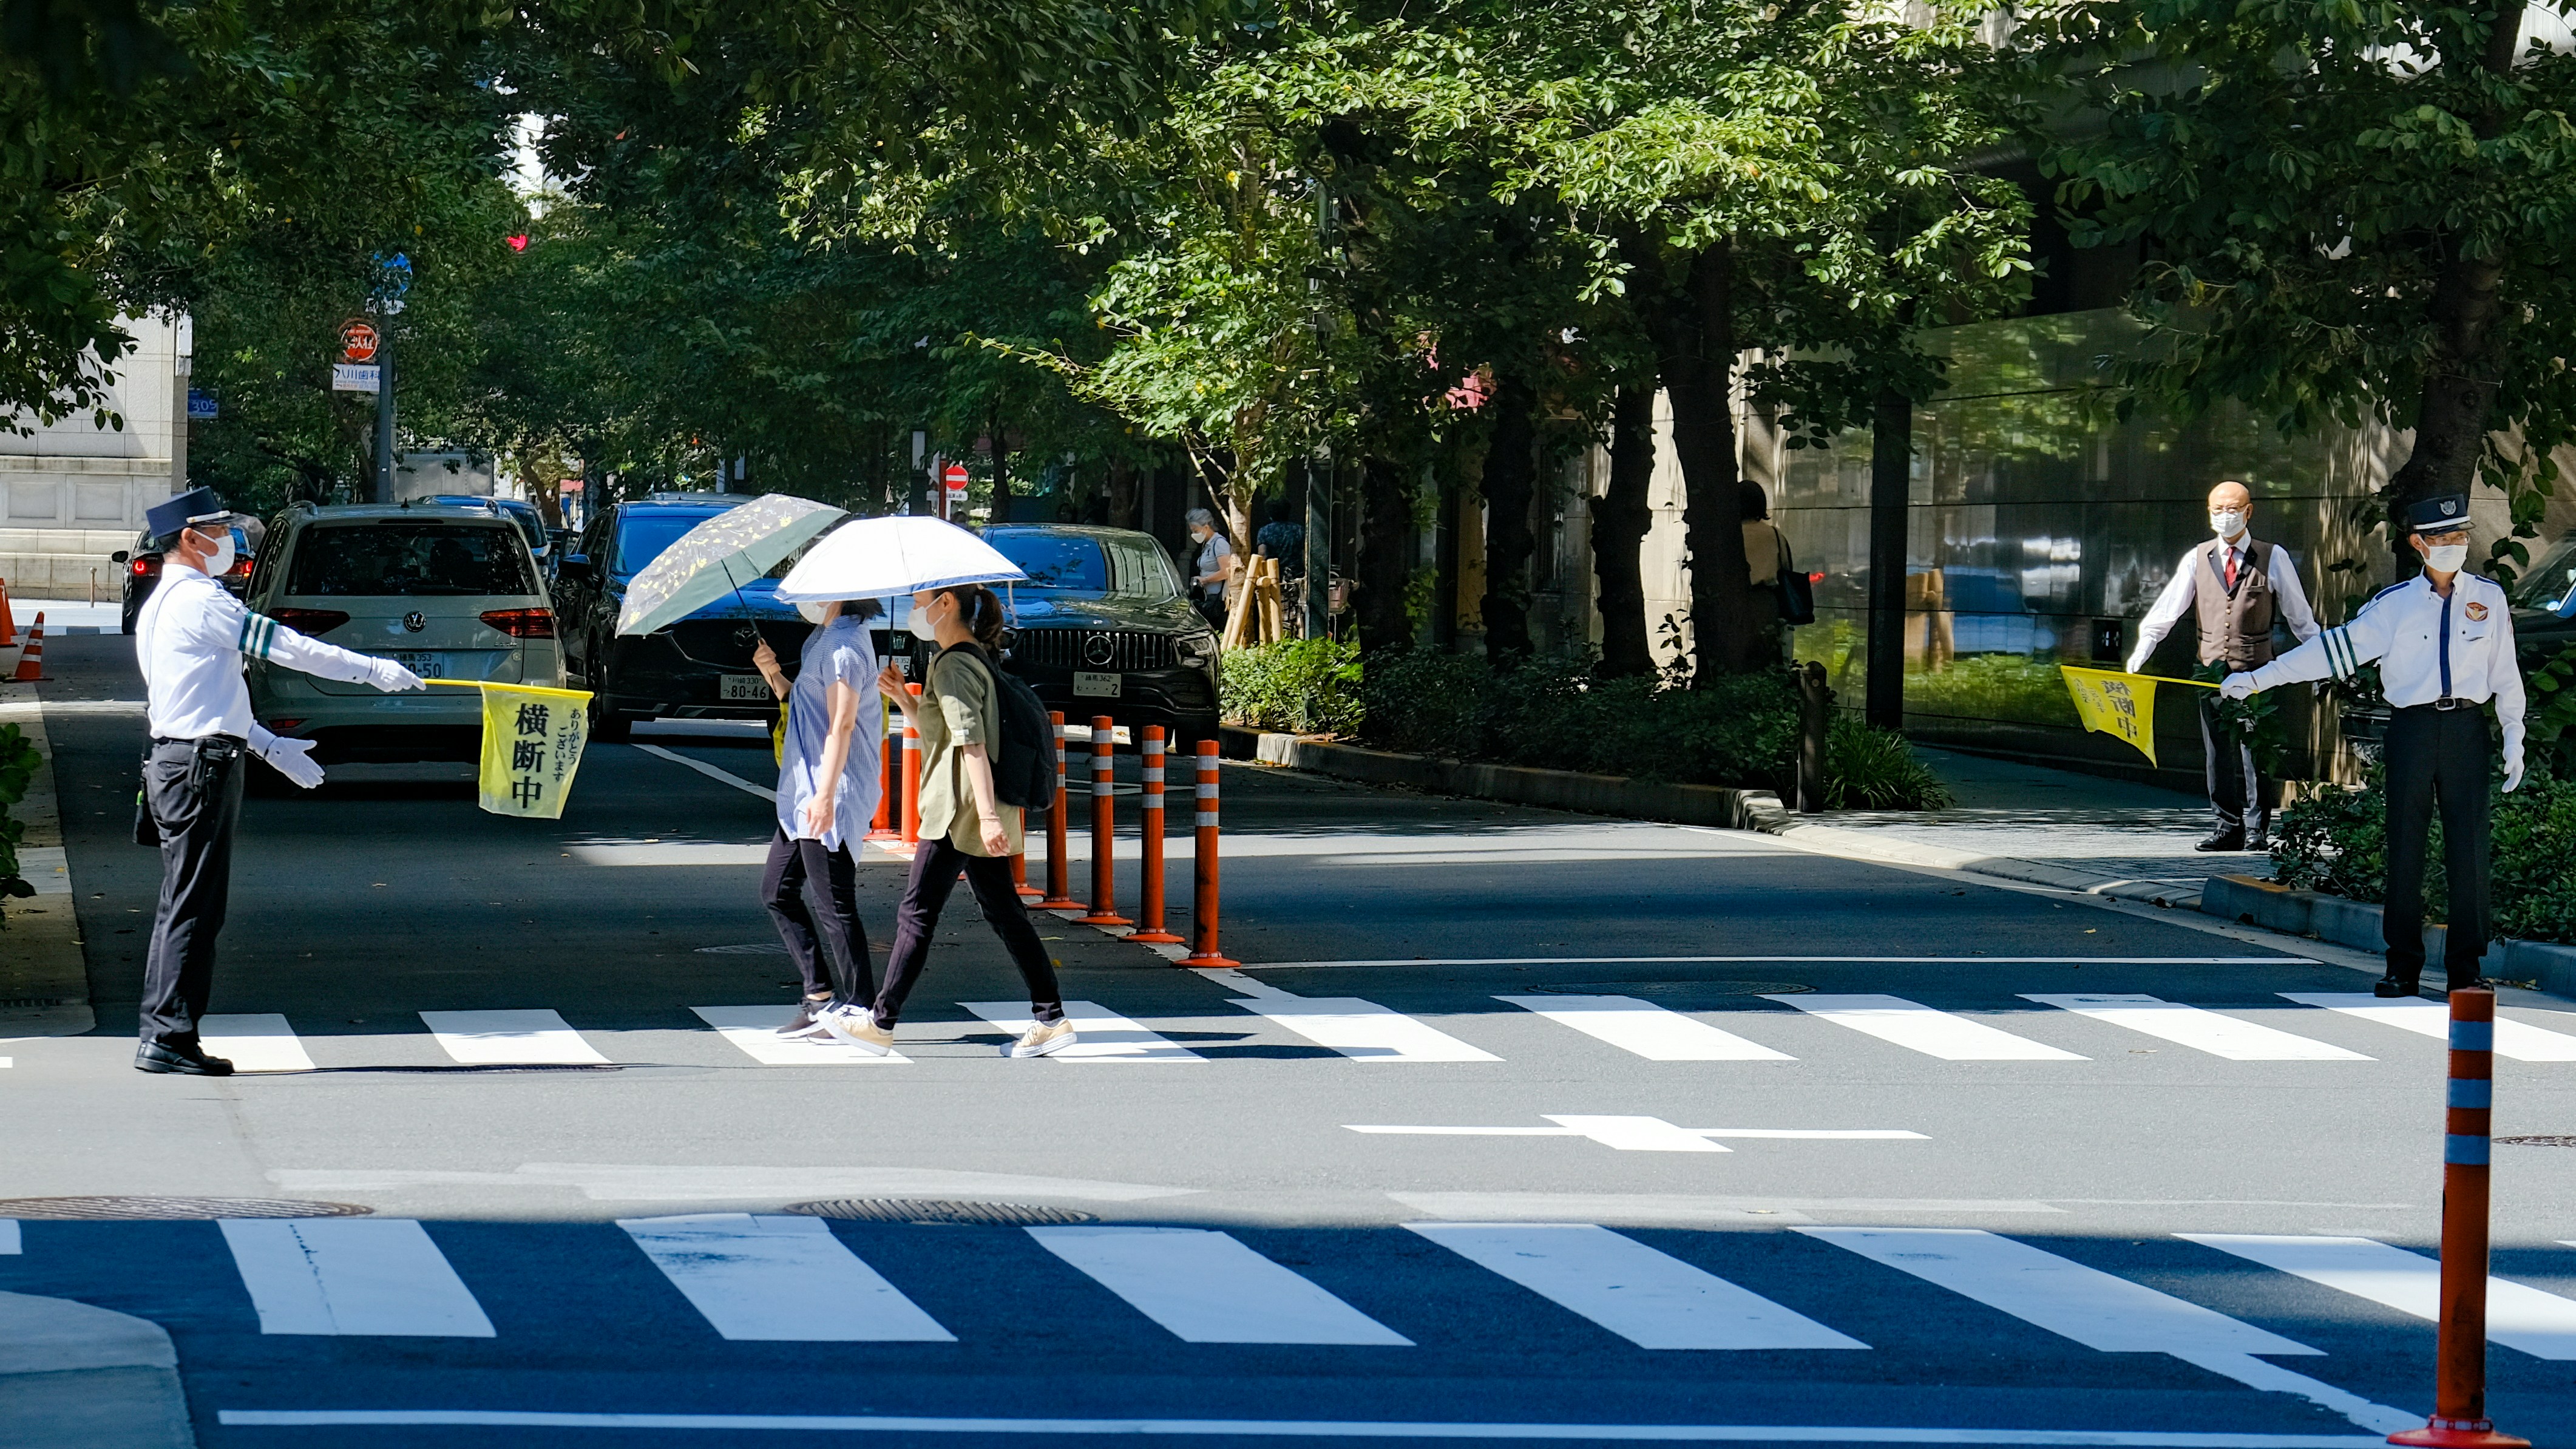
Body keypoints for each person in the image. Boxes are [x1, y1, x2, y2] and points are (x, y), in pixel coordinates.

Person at [132, 487, 426, 1075]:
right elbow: (282, 645)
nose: (229, 540)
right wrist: (370, 670)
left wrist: (267, 744)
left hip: (181, 759)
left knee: (183, 903)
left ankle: (165, 1032)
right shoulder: (200, 601)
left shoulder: (162, 603)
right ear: (190, 538)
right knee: (194, 908)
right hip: (199, 768)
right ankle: (167, 1035)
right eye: (218, 529)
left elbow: (204, 696)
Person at [2222, 492, 2523, 997]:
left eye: (2460, 536)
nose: (2454, 545)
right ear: (2417, 544)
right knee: (2405, 847)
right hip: (2412, 730)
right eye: (2442, 538)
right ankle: (2402, 965)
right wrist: (2261, 679)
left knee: (2469, 852)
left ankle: (2466, 968)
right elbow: (2333, 652)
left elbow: (2506, 673)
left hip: (2467, 730)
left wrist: (2514, 733)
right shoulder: (2395, 605)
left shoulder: (2488, 598)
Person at [827, 583, 1077, 1058]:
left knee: (916, 913)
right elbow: (943, 730)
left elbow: (972, 743)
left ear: (947, 605)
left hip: (957, 812)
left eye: (923, 603)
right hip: (971, 811)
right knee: (1004, 911)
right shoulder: (969, 657)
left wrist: (986, 817)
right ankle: (1050, 1016)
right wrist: (902, 696)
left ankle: (881, 1022)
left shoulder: (955, 664)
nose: (917, 612)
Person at [2127, 480, 2322, 852]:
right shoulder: (2197, 557)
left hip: (2257, 673)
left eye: (2232, 509)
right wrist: (2144, 647)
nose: (2225, 516)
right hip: (2211, 673)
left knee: (2256, 750)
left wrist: (2319, 662)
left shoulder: (2272, 556)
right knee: (2217, 753)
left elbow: (2301, 619)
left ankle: (2256, 829)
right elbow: (2167, 611)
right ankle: (2226, 826)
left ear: (2248, 512)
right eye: (2217, 510)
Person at [750, 598, 884, 1040]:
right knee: (777, 890)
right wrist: (772, 673)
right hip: (804, 792)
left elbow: (841, 723)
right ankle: (820, 996)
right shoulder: (822, 639)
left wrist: (826, 796)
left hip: (829, 792)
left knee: (835, 905)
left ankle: (861, 1006)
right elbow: (805, 705)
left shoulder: (844, 644)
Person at [1187, 509, 1233, 629]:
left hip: (1217, 597)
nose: (1194, 534)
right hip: (1207, 596)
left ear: (1206, 527)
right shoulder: (1207, 545)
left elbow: (1227, 571)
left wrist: (1205, 580)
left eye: (1195, 531)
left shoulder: (1219, 544)